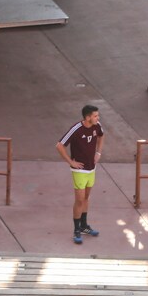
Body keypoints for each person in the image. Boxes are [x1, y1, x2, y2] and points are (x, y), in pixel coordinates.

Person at [57, 104, 105, 245]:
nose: (98, 118)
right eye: (95, 116)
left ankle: (84, 226)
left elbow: (102, 136)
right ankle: (76, 229)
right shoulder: (76, 129)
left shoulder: (97, 126)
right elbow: (59, 145)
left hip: (92, 168)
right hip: (79, 170)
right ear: (87, 117)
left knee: (86, 197)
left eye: (98, 115)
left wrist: (98, 152)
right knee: (79, 199)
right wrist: (70, 162)